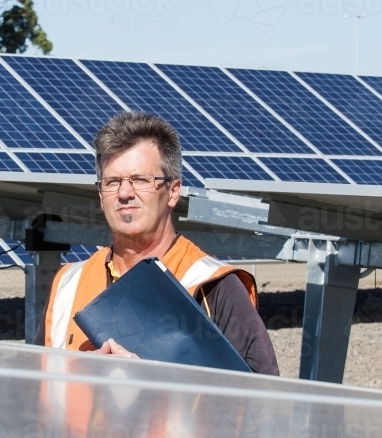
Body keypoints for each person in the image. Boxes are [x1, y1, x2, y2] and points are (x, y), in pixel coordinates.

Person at [38, 111, 279, 375]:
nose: (125, 193)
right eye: (112, 182)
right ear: (100, 194)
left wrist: (152, 384)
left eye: (141, 180)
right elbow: (31, 391)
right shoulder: (67, 284)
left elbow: (262, 402)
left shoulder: (214, 286)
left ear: (173, 191)